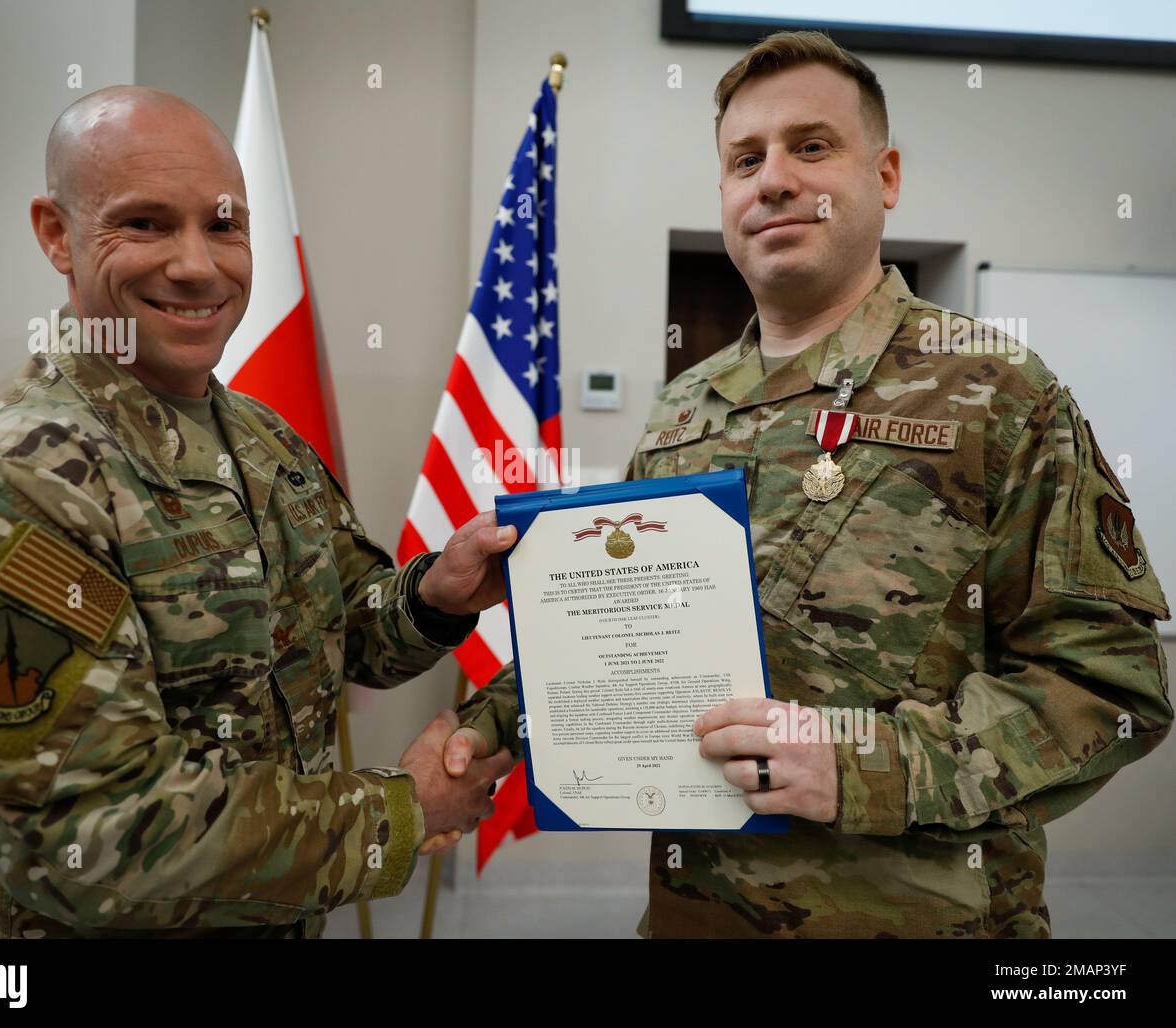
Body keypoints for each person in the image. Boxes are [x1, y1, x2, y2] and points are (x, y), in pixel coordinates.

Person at [444, 30, 1171, 938]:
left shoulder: (997, 391)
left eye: (811, 146)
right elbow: (609, 630)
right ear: (725, 196)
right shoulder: (683, 411)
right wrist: (486, 727)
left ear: (887, 175)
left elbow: (1113, 691)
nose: (774, 179)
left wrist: (863, 767)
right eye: (746, 159)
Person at [0, 85, 510, 939]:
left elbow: (346, 635)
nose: (198, 265)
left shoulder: (259, 438)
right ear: (57, 234)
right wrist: (399, 810)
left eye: (222, 224)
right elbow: (94, 845)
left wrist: (436, 594)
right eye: (143, 224)